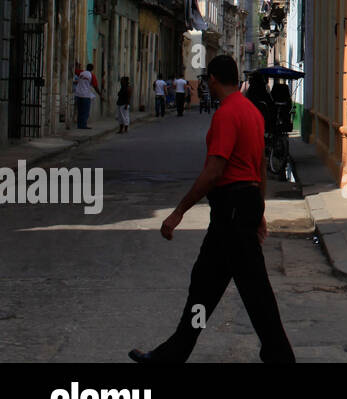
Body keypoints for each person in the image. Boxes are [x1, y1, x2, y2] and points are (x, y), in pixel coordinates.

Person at [129, 53, 295, 364]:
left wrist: (179, 211)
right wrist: (259, 212)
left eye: (208, 79)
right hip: (239, 209)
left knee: (254, 290)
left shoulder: (226, 114)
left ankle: (281, 356)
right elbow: (259, 168)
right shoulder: (252, 112)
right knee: (204, 286)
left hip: (231, 209)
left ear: (214, 80)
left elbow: (215, 170)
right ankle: (173, 353)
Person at [74, 62, 100, 129]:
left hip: (78, 94)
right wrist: (100, 95)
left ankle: (79, 125)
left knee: (80, 111)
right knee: (85, 112)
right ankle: (83, 125)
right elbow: (96, 87)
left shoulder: (81, 73)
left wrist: (77, 65)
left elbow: (75, 70)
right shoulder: (92, 75)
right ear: (92, 69)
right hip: (86, 95)